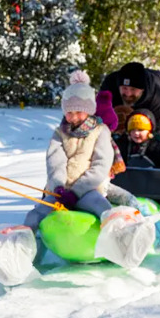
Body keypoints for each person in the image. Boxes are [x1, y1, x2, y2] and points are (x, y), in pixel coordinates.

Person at [23, 70, 115, 231]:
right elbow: (55, 162)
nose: (74, 117)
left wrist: (76, 192)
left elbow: (101, 165)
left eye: (79, 112)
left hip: (88, 190)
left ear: (89, 110)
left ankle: (119, 238)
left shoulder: (101, 131)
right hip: (61, 191)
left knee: (104, 208)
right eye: (69, 113)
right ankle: (23, 245)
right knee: (36, 214)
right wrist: (59, 187)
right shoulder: (60, 133)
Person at [99, 62, 160, 138]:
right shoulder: (109, 86)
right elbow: (101, 112)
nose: (128, 93)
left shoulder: (158, 97)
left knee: (147, 140)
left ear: (142, 89)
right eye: (124, 88)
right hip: (124, 107)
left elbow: (155, 133)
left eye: (133, 89)